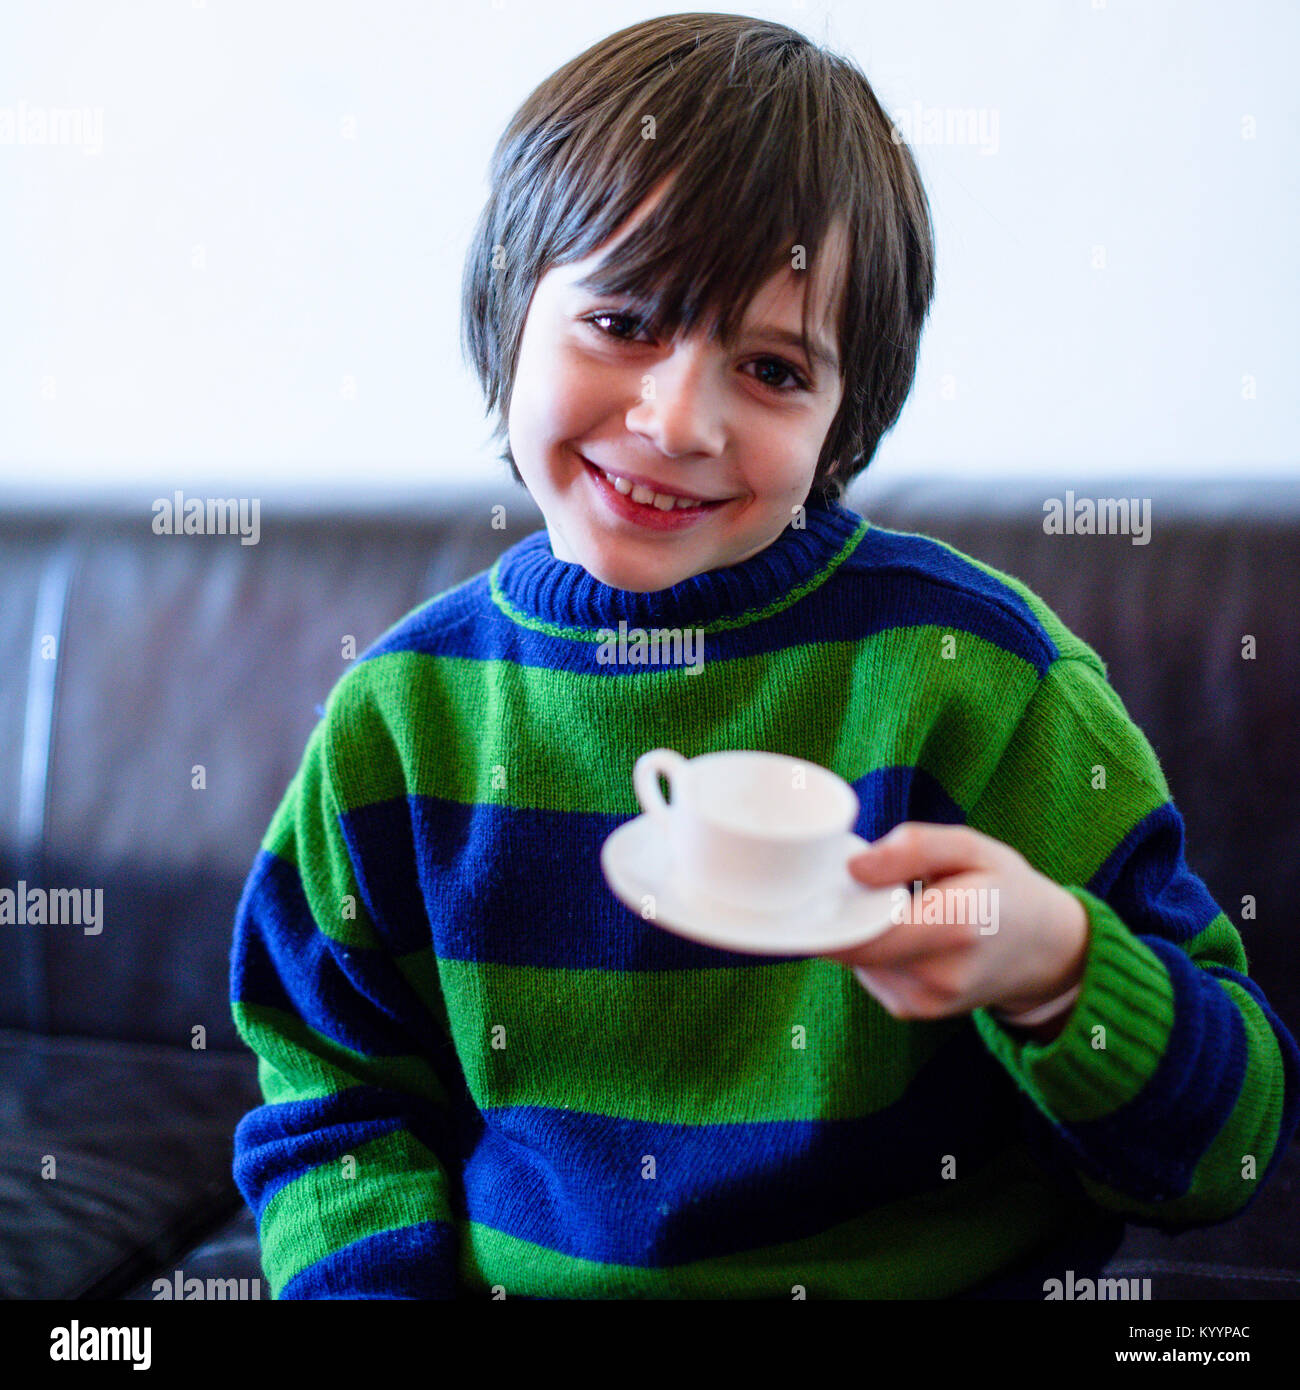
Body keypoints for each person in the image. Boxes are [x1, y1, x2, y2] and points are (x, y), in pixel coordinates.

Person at [229, 12, 1299, 1299]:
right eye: (622, 320)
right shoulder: (402, 715)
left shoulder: (976, 678)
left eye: (773, 366)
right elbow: (333, 1100)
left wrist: (1056, 970)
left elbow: (1225, 1156)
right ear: (509, 314)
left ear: (845, 420)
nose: (678, 418)